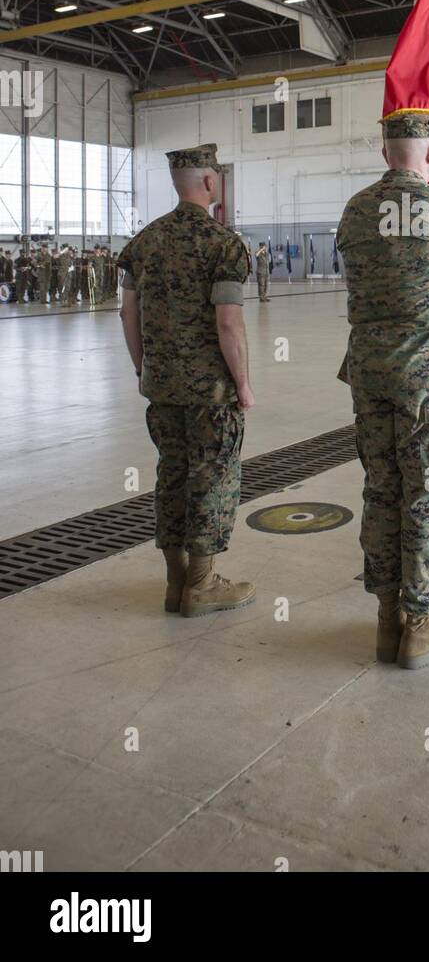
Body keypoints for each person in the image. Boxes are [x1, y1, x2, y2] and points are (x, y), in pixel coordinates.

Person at [336, 112, 429, 670]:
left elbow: (391, 281)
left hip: (371, 376)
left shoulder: (354, 210)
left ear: (384, 152)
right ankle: (422, 623)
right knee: (426, 495)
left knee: (382, 491)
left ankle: (386, 619)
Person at [117, 143, 256, 617]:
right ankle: (202, 583)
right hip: (209, 392)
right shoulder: (223, 245)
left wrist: (143, 368)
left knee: (171, 476)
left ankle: (175, 583)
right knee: (212, 477)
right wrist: (243, 384)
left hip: (162, 387)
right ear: (212, 183)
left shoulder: (144, 242)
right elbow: (228, 324)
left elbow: (128, 313)